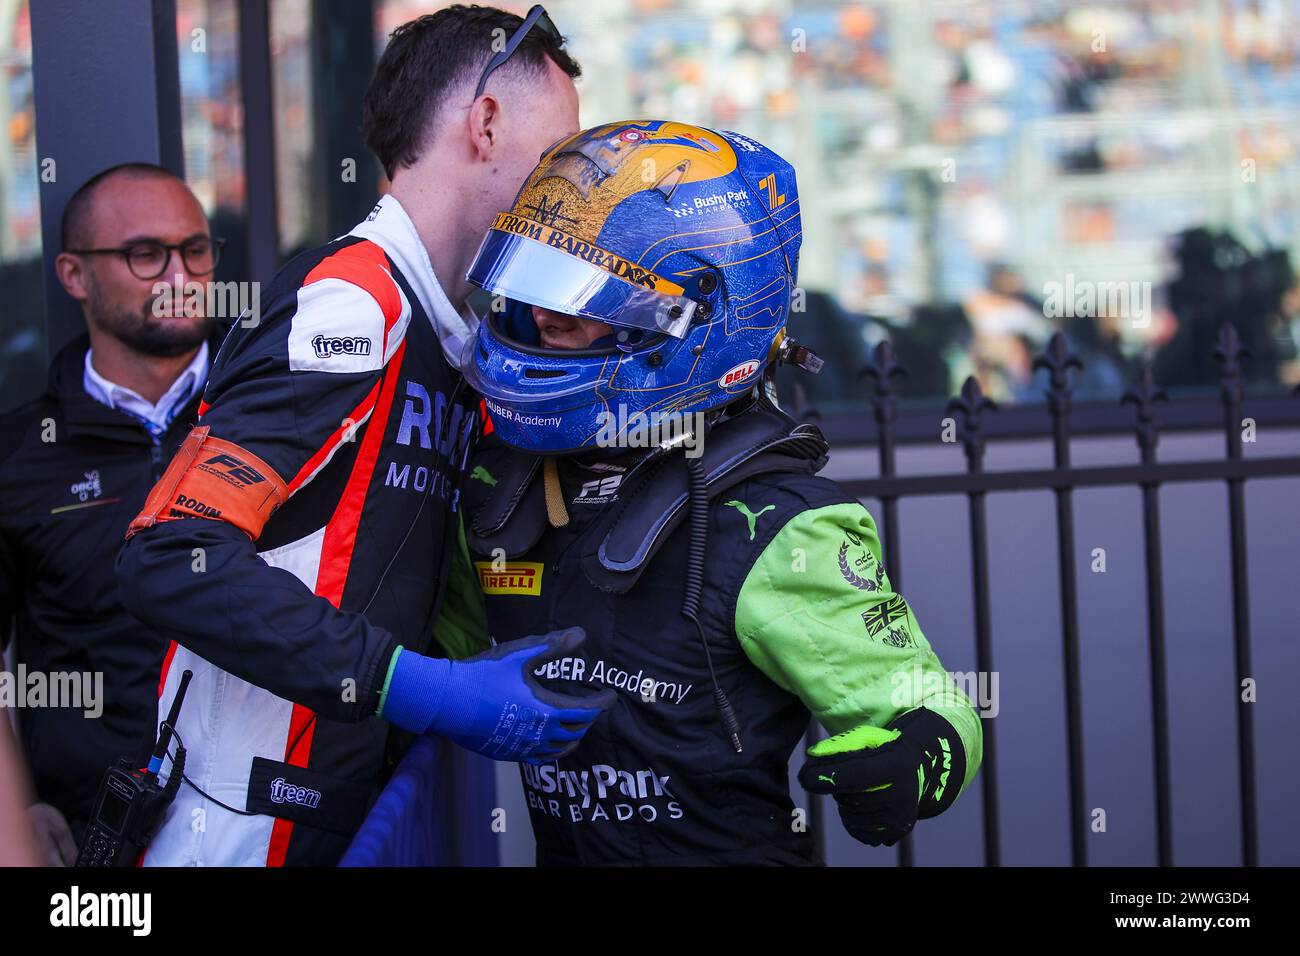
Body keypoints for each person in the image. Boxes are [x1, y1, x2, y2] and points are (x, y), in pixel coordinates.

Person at [115, 5, 610, 867]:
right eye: (559, 150)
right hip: (244, 827)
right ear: (486, 123)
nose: (573, 182)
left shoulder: (449, 325)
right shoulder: (355, 302)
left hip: (356, 811)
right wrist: (424, 689)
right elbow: (169, 555)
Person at [454, 120, 984, 864]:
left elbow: (926, 702)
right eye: (536, 280)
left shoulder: (777, 525)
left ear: (707, 320)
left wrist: (917, 755)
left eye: (585, 295)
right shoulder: (499, 486)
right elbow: (420, 645)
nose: (542, 315)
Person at [0, 162, 227, 863]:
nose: (179, 275)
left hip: (266, 828)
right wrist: (20, 808)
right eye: (145, 254)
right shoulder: (18, 458)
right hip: (90, 843)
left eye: (195, 250)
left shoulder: (269, 422)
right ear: (73, 274)